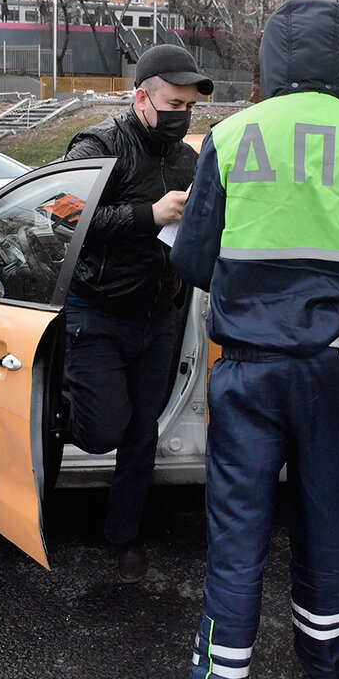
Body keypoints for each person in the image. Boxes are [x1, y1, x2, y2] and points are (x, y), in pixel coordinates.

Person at [154, 0, 339, 679]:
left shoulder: (233, 137)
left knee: (237, 537)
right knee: (330, 521)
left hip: (246, 370)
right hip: (336, 371)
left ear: (270, 60)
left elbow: (198, 262)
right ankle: (326, 666)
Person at [61, 44, 213, 583]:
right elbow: (61, 215)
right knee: (103, 430)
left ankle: (125, 538)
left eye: (190, 108)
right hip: (97, 311)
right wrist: (147, 214)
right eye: (173, 104)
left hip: (159, 315)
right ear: (140, 97)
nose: (182, 116)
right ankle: (59, 410)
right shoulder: (99, 143)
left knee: (141, 434)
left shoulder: (188, 158)